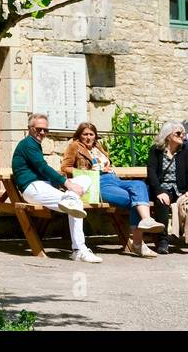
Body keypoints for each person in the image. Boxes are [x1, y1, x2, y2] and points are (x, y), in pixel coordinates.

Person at [60, 122, 164, 257]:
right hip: (97, 182)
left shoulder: (98, 146)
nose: (88, 137)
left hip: (113, 178)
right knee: (135, 200)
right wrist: (84, 171)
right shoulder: (75, 146)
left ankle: (146, 220)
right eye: (85, 134)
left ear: (95, 136)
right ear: (79, 136)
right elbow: (64, 167)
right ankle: (138, 243)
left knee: (139, 185)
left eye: (91, 134)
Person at [12, 113, 100, 263]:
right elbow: (42, 167)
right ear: (29, 128)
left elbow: (43, 171)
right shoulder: (28, 144)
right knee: (75, 204)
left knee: (85, 179)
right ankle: (79, 250)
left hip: (42, 186)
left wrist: (63, 182)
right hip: (32, 188)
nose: (42, 133)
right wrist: (66, 183)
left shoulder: (34, 144)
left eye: (45, 130)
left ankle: (71, 198)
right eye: (38, 129)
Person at [145, 121, 188, 255]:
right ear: (168, 136)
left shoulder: (185, 150)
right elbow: (151, 173)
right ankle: (163, 241)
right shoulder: (155, 150)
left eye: (183, 133)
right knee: (162, 203)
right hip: (162, 188)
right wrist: (159, 191)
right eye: (178, 133)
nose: (182, 136)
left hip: (181, 189)